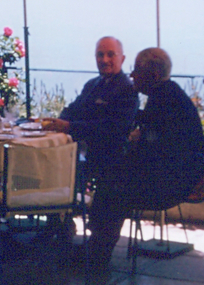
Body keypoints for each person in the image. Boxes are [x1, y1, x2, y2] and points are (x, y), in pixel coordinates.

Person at [87, 47, 204, 279]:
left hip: (173, 185)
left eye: (136, 71)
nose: (131, 75)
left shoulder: (163, 101)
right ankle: (97, 249)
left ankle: (97, 256)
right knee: (112, 180)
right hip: (183, 175)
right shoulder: (168, 94)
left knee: (112, 187)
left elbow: (148, 152)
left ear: (152, 76)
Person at [43, 36, 138, 181]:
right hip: (81, 152)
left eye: (110, 55)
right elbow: (72, 110)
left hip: (107, 161)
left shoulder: (127, 90)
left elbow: (112, 128)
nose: (104, 60)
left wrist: (69, 127)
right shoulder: (92, 84)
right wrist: (57, 123)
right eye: (100, 55)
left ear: (122, 59)